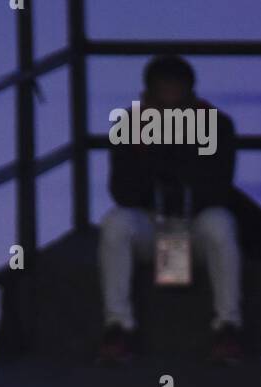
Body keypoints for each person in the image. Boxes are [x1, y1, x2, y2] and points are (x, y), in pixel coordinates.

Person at [98, 55, 244, 364]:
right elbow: (122, 193)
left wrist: (182, 152)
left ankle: (227, 327)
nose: (171, 115)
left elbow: (218, 190)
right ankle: (118, 327)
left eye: (179, 106)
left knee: (221, 224)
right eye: (163, 106)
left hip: (196, 222)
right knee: (115, 224)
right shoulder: (128, 126)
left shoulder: (218, 125)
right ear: (147, 98)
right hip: (150, 222)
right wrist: (154, 150)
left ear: (192, 98)